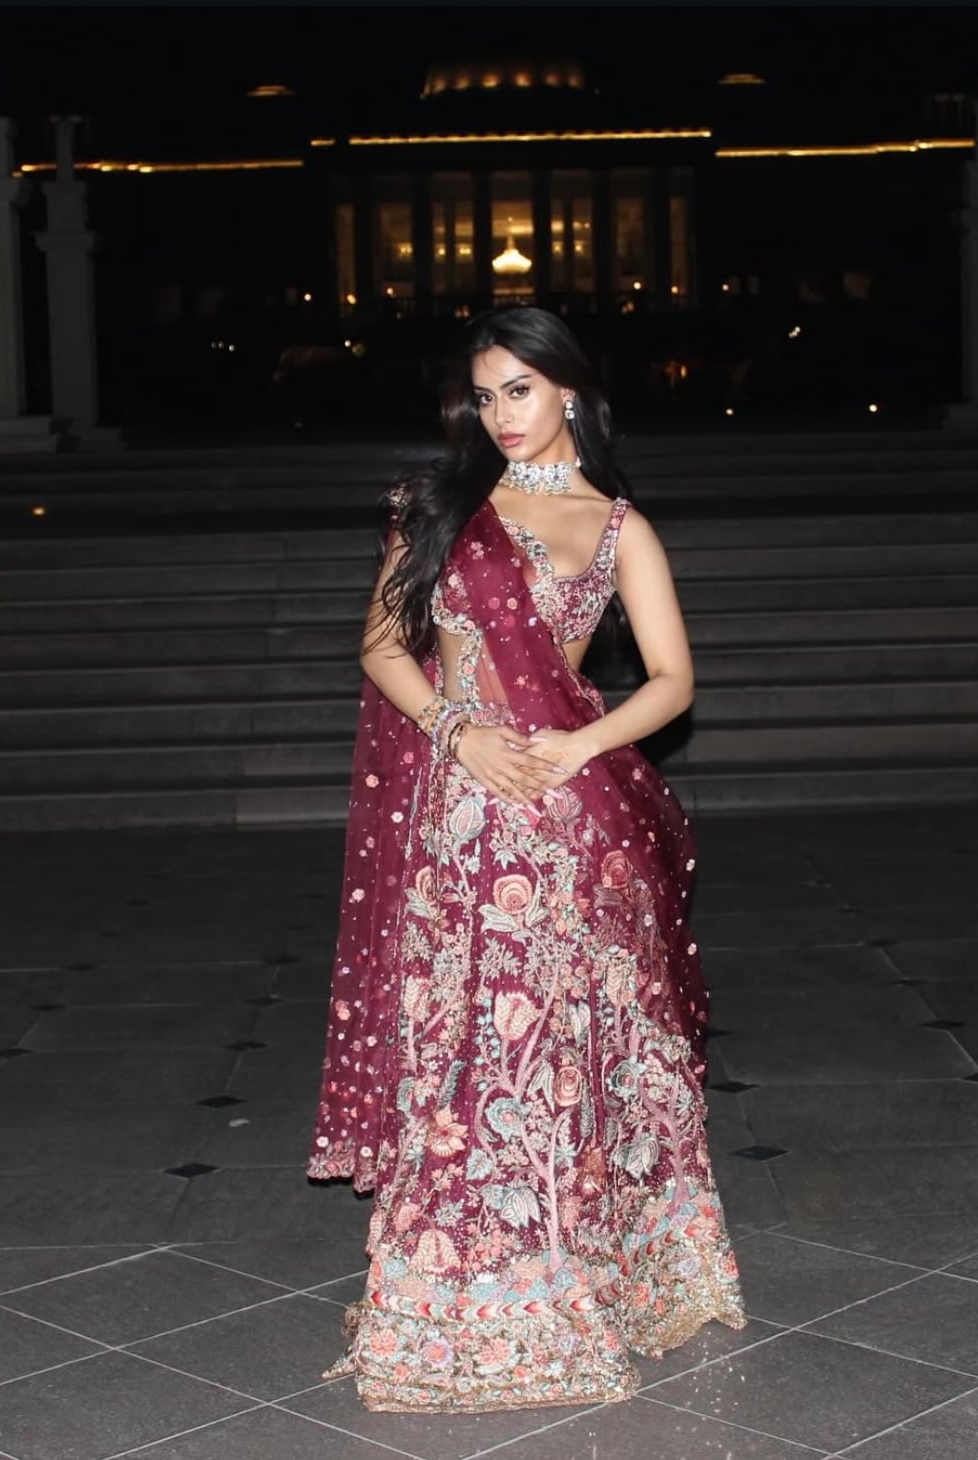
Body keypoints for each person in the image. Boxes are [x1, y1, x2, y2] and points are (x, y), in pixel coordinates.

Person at [307, 306, 747, 1413]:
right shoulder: (441, 506)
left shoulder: (616, 526)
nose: (502, 414)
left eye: (521, 389)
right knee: (462, 1041)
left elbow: (672, 680)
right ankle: (454, 1281)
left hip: (565, 814)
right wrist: (456, 731)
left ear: (569, 392)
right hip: (459, 811)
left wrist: (580, 746)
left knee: (559, 1045)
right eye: (485, 395)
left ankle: (577, 1266)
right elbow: (381, 646)